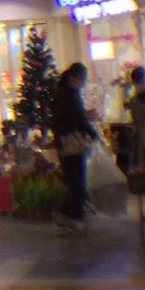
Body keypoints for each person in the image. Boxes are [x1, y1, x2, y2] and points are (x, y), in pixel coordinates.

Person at [51, 63, 96, 235]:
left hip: (68, 144)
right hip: (70, 145)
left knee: (75, 181)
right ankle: (76, 218)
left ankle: (66, 215)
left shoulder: (65, 92)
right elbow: (70, 120)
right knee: (77, 181)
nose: (83, 83)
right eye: (82, 79)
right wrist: (86, 121)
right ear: (75, 77)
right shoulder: (66, 95)